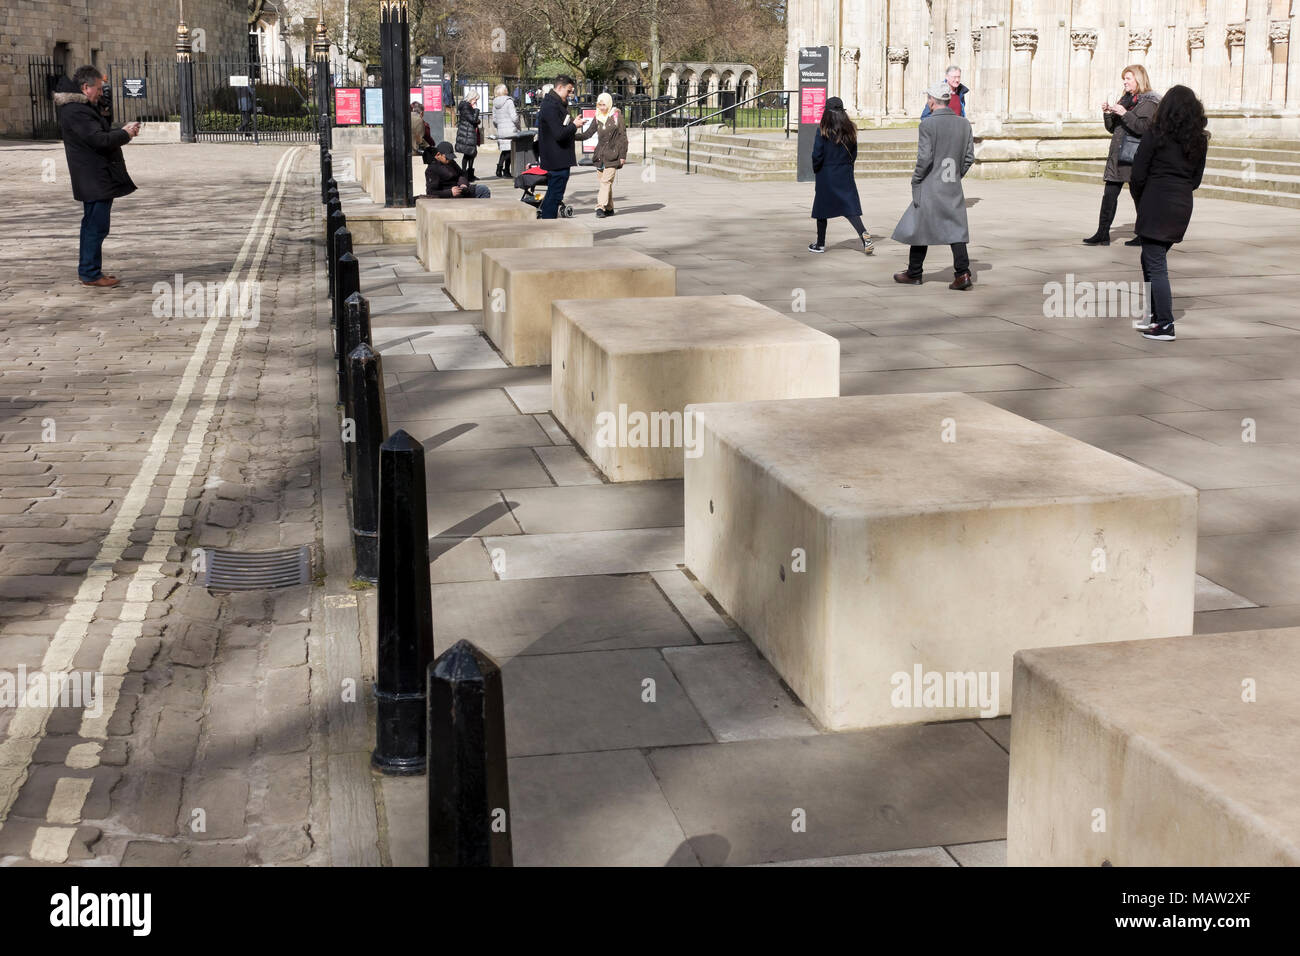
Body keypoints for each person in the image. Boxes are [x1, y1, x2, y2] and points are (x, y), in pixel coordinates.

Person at [1129, 86, 1208, 342]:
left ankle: (1165, 323)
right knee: (1149, 258)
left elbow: (1138, 173)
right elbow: (1195, 179)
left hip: (1156, 201)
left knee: (1156, 264)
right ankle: (1154, 316)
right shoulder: (1199, 139)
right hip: (1182, 204)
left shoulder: (1156, 133)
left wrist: (1142, 201)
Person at [55, 67, 140, 288]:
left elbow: (99, 132)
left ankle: (90, 270)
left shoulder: (83, 108)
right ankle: (90, 273)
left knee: (93, 225)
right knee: (96, 226)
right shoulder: (76, 111)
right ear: (85, 87)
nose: (102, 93)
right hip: (93, 177)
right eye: (99, 88)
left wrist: (121, 130)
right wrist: (125, 134)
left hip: (95, 176)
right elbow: (98, 140)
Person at [892, 80, 975, 290]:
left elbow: (925, 158)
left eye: (928, 98)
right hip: (952, 183)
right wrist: (956, 175)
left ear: (932, 101)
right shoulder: (964, 124)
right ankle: (963, 273)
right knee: (956, 228)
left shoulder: (927, 125)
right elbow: (969, 158)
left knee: (921, 226)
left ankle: (914, 272)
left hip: (931, 183)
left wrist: (917, 179)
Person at [1085, 64, 1161, 247]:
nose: (1124, 82)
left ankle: (1145, 234)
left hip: (1135, 157)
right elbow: (1113, 129)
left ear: (1138, 79)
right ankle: (1102, 233)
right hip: (1118, 156)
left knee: (1139, 196)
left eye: (1128, 78)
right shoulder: (1127, 99)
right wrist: (1108, 114)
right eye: (1124, 78)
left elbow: (1143, 128)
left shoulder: (1149, 102)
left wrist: (1125, 113)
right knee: (1109, 195)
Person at [807, 96, 873, 254]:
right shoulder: (850, 129)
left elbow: (817, 154)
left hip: (827, 173)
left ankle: (820, 244)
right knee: (850, 208)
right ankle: (864, 235)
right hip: (845, 172)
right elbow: (854, 153)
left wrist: (816, 169)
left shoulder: (823, 130)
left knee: (821, 209)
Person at [573, 92, 628, 217]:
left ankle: (600, 207)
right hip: (600, 156)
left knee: (605, 182)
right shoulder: (597, 117)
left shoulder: (616, 115)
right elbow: (587, 134)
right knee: (605, 183)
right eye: (599, 105)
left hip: (613, 155)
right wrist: (571, 135)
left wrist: (623, 156)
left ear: (608, 104)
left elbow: (623, 137)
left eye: (603, 105)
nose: (601, 107)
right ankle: (609, 208)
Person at [536, 75, 581, 219]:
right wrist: (574, 126)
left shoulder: (555, 104)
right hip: (556, 159)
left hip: (558, 158)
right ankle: (548, 224)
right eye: (568, 91)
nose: (569, 95)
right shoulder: (550, 105)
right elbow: (559, 134)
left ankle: (548, 223)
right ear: (560, 87)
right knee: (554, 196)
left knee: (554, 195)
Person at [424, 141, 492, 198]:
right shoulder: (432, 169)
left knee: (483, 189)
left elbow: (462, 174)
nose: (449, 160)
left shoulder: (451, 162)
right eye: (447, 158)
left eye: (450, 158)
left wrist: (463, 184)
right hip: (449, 195)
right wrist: (450, 192)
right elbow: (430, 192)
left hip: (461, 190)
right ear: (438, 155)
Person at [492, 83, 520, 177]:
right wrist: (518, 124)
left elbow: (494, 119)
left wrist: (498, 126)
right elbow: (514, 117)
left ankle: (500, 168)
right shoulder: (509, 102)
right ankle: (505, 169)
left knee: (505, 150)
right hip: (510, 128)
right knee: (510, 150)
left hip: (501, 128)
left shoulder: (495, 103)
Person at [456, 92, 482, 181]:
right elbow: (473, 119)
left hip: (470, 132)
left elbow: (474, 120)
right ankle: (464, 175)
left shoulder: (468, 106)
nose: (476, 101)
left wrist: (477, 120)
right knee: (467, 154)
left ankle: (470, 174)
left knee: (472, 153)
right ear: (472, 98)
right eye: (476, 99)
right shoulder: (466, 106)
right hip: (466, 133)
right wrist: (476, 109)